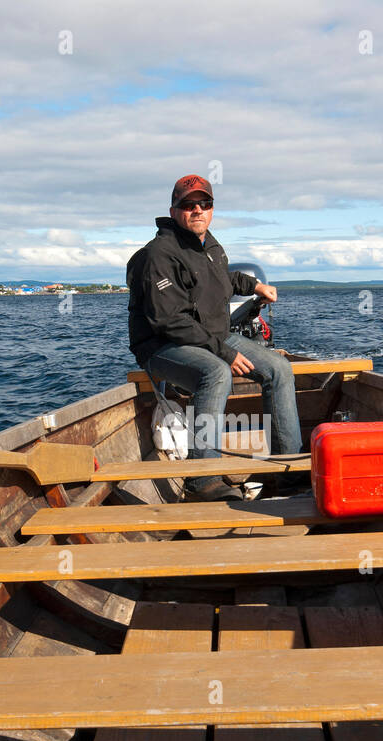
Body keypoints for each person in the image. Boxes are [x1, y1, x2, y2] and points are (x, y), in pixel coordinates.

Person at [127, 174, 307, 501]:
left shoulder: (209, 245)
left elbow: (223, 277)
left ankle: (287, 470)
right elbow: (169, 321)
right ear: (174, 209)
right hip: (162, 345)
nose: (197, 210)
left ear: (211, 209)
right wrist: (223, 352)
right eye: (188, 204)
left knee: (279, 370)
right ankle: (202, 478)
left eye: (204, 204)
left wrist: (255, 286)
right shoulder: (160, 254)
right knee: (215, 373)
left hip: (211, 337)